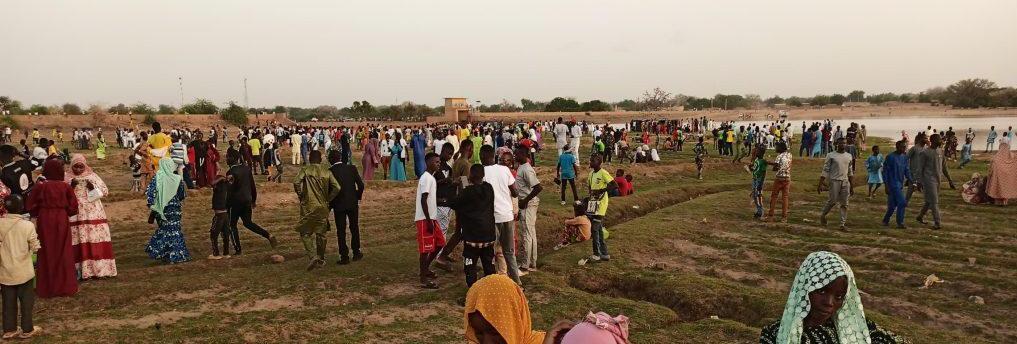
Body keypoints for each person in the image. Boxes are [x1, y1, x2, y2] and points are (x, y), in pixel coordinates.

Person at [759, 251, 907, 344]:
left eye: (839, 296)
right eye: (822, 292)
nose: (829, 303)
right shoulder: (775, 334)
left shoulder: (855, 327)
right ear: (804, 287)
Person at [25, 160, 78, 298]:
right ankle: (64, 285)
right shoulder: (65, 187)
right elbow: (73, 208)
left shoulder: (40, 186)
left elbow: (30, 206)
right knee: (63, 250)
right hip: (61, 218)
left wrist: (40, 210)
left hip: (45, 219)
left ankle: (47, 286)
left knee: (47, 250)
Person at [65, 154, 117, 279]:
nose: (78, 170)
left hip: (93, 214)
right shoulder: (66, 178)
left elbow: (105, 191)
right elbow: (63, 196)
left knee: (94, 238)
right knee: (78, 239)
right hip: (75, 215)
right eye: (76, 167)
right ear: (71, 166)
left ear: (85, 166)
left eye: (81, 167)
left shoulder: (92, 176)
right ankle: (80, 271)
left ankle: (99, 269)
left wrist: (92, 187)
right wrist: (71, 187)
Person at [447, 164, 497, 287]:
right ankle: (490, 292)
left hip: (472, 239)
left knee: (470, 265)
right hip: (488, 237)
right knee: (489, 265)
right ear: (483, 175)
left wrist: (453, 185)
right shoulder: (489, 188)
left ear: (471, 175)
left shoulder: (467, 192)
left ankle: (472, 294)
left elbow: (452, 203)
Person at [0, 196, 42, 339]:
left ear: (5, 207)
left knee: (8, 302)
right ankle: (27, 329)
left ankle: (9, 329)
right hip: (24, 270)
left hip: (5, 271)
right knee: (26, 302)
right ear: (21, 207)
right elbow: (35, 246)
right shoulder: (27, 225)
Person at [481, 145, 522, 285]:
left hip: (492, 218)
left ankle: (493, 283)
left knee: (490, 253)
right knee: (509, 252)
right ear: (494, 157)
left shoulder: (482, 172)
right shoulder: (505, 170)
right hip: (507, 216)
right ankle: (517, 284)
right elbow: (515, 192)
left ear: (481, 157)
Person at [293, 151, 341, 270]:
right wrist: (328, 199)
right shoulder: (327, 171)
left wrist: (301, 195)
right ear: (320, 159)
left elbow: (296, 182)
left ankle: (312, 256)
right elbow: (337, 187)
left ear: (310, 159)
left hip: (308, 206)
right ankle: (321, 258)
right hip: (323, 206)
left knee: (305, 232)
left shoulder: (305, 170)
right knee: (321, 233)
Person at [226, 150, 277, 254]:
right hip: (247, 200)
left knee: (232, 225)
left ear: (232, 158)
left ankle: (238, 249)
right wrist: (253, 200)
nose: (226, 159)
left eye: (227, 157)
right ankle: (268, 235)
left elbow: (230, 190)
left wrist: (226, 205)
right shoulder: (246, 169)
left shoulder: (230, 172)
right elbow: (252, 186)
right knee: (248, 223)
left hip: (235, 202)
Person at [145, 159, 190, 264]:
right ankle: (176, 254)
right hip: (174, 209)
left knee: (165, 229)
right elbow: (182, 195)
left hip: (161, 210)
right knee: (174, 230)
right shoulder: (177, 179)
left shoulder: (157, 178)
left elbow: (150, 193)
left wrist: (152, 206)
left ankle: (164, 252)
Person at [328, 150, 364, 264]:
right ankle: (356, 252)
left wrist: (330, 204)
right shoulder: (351, 168)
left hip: (338, 204)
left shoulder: (330, 172)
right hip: (352, 202)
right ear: (340, 158)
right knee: (354, 227)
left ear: (330, 160)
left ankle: (344, 256)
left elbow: (330, 190)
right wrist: (357, 196)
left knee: (341, 230)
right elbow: (361, 185)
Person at [415, 153, 445, 289]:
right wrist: (427, 220)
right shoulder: (426, 178)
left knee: (440, 243)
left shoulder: (431, 178)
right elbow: (423, 199)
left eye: (439, 162)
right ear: (428, 163)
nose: (438, 164)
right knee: (425, 249)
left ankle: (425, 268)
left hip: (432, 218)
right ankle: (423, 279)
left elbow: (430, 199)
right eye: (436, 162)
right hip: (425, 219)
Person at [914, 134, 954, 230]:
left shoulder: (940, 151)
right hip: (928, 180)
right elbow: (920, 169)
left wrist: (950, 180)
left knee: (929, 201)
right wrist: (919, 182)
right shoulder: (924, 153)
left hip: (938, 180)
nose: (940, 141)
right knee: (934, 202)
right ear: (932, 141)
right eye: (938, 140)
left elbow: (944, 167)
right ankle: (937, 223)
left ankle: (919, 216)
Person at [515, 148, 542, 274]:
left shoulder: (526, 168)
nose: (515, 155)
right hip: (526, 203)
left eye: (518, 153)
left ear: (524, 155)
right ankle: (532, 262)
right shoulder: (522, 167)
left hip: (528, 204)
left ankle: (526, 265)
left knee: (527, 234)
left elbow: (538, 187)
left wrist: (524, 200)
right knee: (531, 234)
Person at [587, 154, 617, 263]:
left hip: (601, 205)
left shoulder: (603, 173)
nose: (590, 162)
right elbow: (589, 188)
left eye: (593, 161)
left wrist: (602, 190)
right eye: (590, 160)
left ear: (599, 163)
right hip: (593, 205)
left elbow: (614, 185)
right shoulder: (590, 174)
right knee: (598, 229)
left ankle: (597, 254)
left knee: (594, 229)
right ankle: (605, 254)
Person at [818, 138, 853, 231]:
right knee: (832, 201)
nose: (843, 145)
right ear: (837, 144)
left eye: (844, 143)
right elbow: (825, 169)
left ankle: (842, 224)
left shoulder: (849, 156)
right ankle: (823, 215)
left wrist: (851, 185)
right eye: (841, 143)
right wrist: (820, 183)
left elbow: (850, 171)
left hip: (845, 182)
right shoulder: (831, 155)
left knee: (844, 203)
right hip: (834, 181)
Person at [881, 140, 912, 229]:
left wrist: (912, 181)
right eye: (902, 147)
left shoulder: (905, 157)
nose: (904, 148)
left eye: (905, 146)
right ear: (897, 147)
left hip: (900, 183)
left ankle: (885, 220)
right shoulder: (890, 157)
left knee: (892, 206)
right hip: (892, 184)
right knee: (902, 202)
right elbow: (885, 172)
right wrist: (886, 185)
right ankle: (900, 222)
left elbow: (906, 170)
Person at [765, 142, 792, 223]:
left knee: (774, 196)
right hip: (787, 177)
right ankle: (784, 217)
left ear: (780, 148)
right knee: (785, 198)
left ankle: (770, 216)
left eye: (777, 147)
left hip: (779, 178)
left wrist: (769, 163)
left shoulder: (779, 156)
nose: (775, 148)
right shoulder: (789, 155)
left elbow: (775, 168)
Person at [207, 173, 231, 259]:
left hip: (219, 214)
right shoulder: (226, 187)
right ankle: (226, 253)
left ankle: (216, 254)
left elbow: (212, 183)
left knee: (214, 234)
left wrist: (220, 177)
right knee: (225, 234)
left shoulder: (218, 188)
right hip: (225, 214)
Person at [749, 145, 768, 219]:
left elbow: (764, 173)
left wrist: (760, 184)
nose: (756, 152)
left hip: (758, 180)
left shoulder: (763, 161)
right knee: (754, 196)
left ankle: (760, 212)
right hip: (754, 179)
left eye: (757, 151)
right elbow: (755, 169)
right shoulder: (757, 160)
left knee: (757, 196)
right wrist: (751, 168)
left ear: (761, 153)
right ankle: (758, 211)